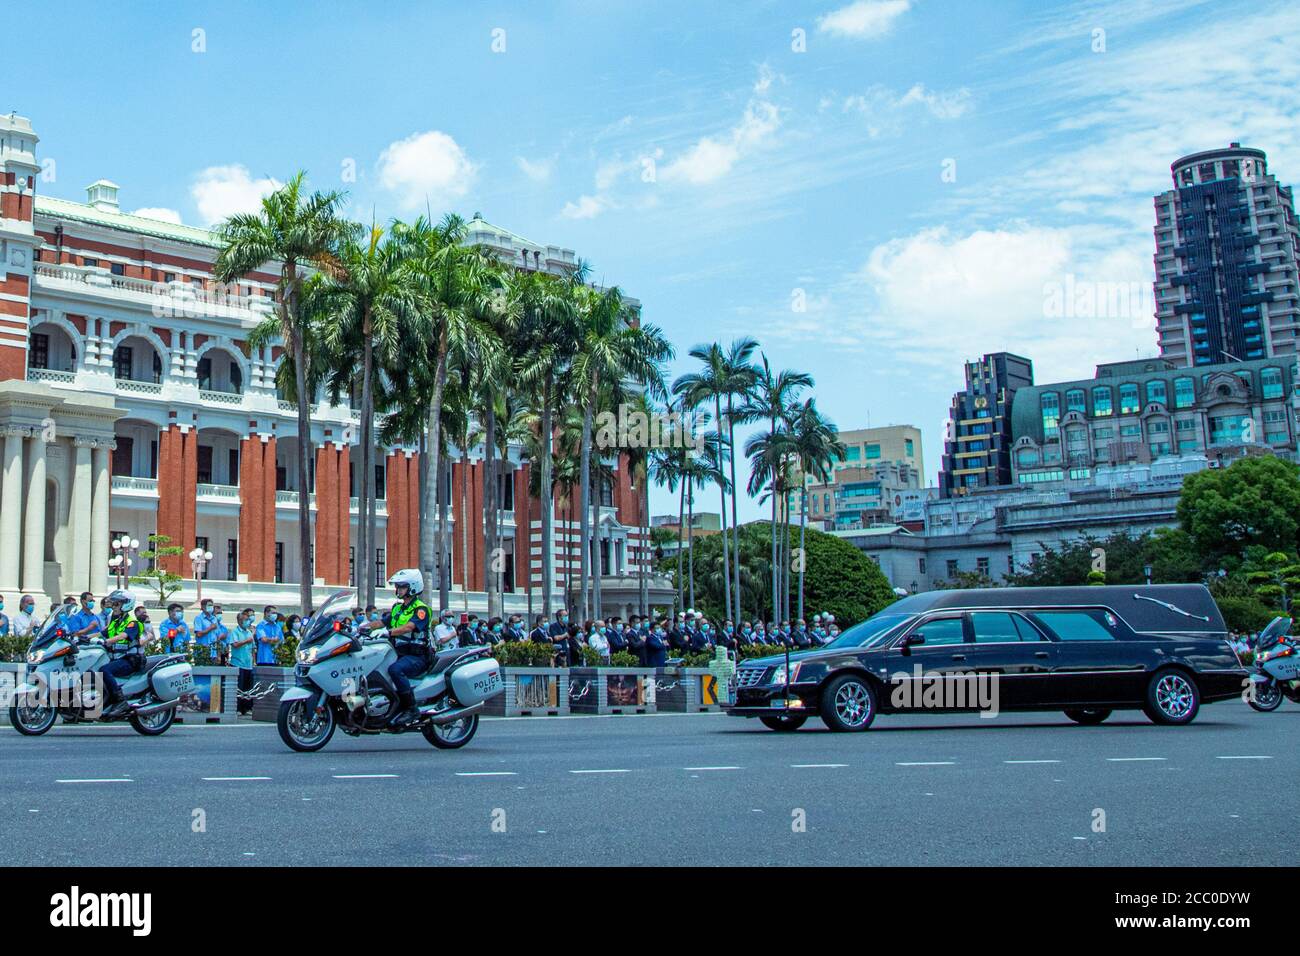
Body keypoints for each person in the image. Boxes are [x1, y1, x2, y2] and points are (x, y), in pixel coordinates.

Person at [376, 569, 432, 728]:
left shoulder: (421, 609)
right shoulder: (398, 608)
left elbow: (409, 627)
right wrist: (359, 629)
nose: (398, 590)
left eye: (402, 586)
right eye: (398, 586)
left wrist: (388, 632)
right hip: (399, 653)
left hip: (418, 656)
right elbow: (381, 622)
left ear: (413, 587)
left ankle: (411, 709)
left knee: (395, 670)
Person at [99, 589, 145, 719]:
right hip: (117, 659)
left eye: (116, 603)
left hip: (130, 660)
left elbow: (123, 635)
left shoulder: (133, 623)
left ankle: (120, 701)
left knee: (104, 670)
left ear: (126, 604)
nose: (113, 606)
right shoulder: (115, 621)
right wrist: (80, 637)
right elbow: (101, 633)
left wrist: (107, 641)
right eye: (113, 603)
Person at [228, 608, 257, 715]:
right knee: (238, 687)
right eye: (245, 620)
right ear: (239, 621)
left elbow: (253, 648)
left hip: (248, 664)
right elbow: (235, 644)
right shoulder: (235, 632)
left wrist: (254, 661)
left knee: (248, 687)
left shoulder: (249, 632)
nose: (247, 622)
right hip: (238, 663)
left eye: (248, 620)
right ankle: (238, 708)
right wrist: (246, 641)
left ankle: (247, 708)